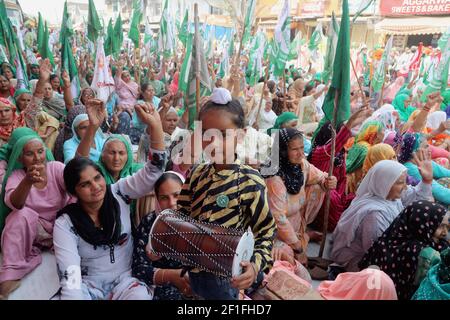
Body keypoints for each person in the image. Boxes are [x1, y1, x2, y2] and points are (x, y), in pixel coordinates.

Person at [53, 102, 166, 300]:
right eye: (85, 184)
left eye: (97, 178)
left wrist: (156, 126)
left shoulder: (119, 193)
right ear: (74, 192)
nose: (96, 187)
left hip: (126, 281)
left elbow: (154, 172)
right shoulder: (66, 224)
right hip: (89, 286)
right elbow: (70, 275)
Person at [177, 94, 276, 300]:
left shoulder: (251, 181)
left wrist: (254, 266)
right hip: (194, 274)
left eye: (223, 134)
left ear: (241, 136)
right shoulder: (196, 174)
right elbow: (181, 216)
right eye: (206, 132)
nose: (213, 141)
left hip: (226, 279)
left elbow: (265, 231)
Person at [0, 135, 72, 299]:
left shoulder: (56, 168)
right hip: (35, 232)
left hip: (60, 226)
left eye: (40, 151)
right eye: (29, 154)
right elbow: (15, 204)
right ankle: (12, 271)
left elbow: (74, 189)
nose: (37, 158)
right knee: (18, 215)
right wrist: (27, 181)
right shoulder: (17, 176)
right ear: (20, 157)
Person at [331, 158, 433, 272]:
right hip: (361, 259)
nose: (405, 186)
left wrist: (426, 181)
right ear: (384, 184)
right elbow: (377, 250)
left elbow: (416, 199)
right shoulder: (375, 214)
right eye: (400, 182)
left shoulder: (389, 197)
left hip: (382, 250)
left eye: (405, 182)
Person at [263, 128, 337, 265]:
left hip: (294, 219)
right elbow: (278, 218)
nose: (301, 154)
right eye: (294, 149)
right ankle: (300, 239)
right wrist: (299, 249)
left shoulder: (301, 165)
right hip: (274, 230)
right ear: (283, 151)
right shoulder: (274, 178)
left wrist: (328, 181)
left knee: (317, 186)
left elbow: (321, 176)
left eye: (302, 148)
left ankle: (303, 234)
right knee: (287, 257)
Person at [359, 200, 449, 300]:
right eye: (440, 226)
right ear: (421, 223)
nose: (445, 232)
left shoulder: (390, 237)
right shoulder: (423, 252)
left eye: (447, 226)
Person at [308, 108, 371, 232]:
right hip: (320, 196)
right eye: (339, 135)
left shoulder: (340, 154)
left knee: (360, 198)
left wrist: (363, 117)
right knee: (331, 197)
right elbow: (335, 145)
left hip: (336, 194)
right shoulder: (319, 152)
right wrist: (351, 122)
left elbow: (342, 179)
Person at [132, 171, 192, 300]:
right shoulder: (150, 223)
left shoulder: (197, 220)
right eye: (164, 198)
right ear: (157, 200)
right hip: (165, 286)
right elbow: (139, 268)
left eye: (177, 195)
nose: (172, 203)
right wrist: (171, 275)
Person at [398, 133, 450, 206]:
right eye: (425, 147)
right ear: (414, 152)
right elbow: (440, 193)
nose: (430, 149)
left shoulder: (423, 160)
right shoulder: (410, 168)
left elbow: (445, 172)